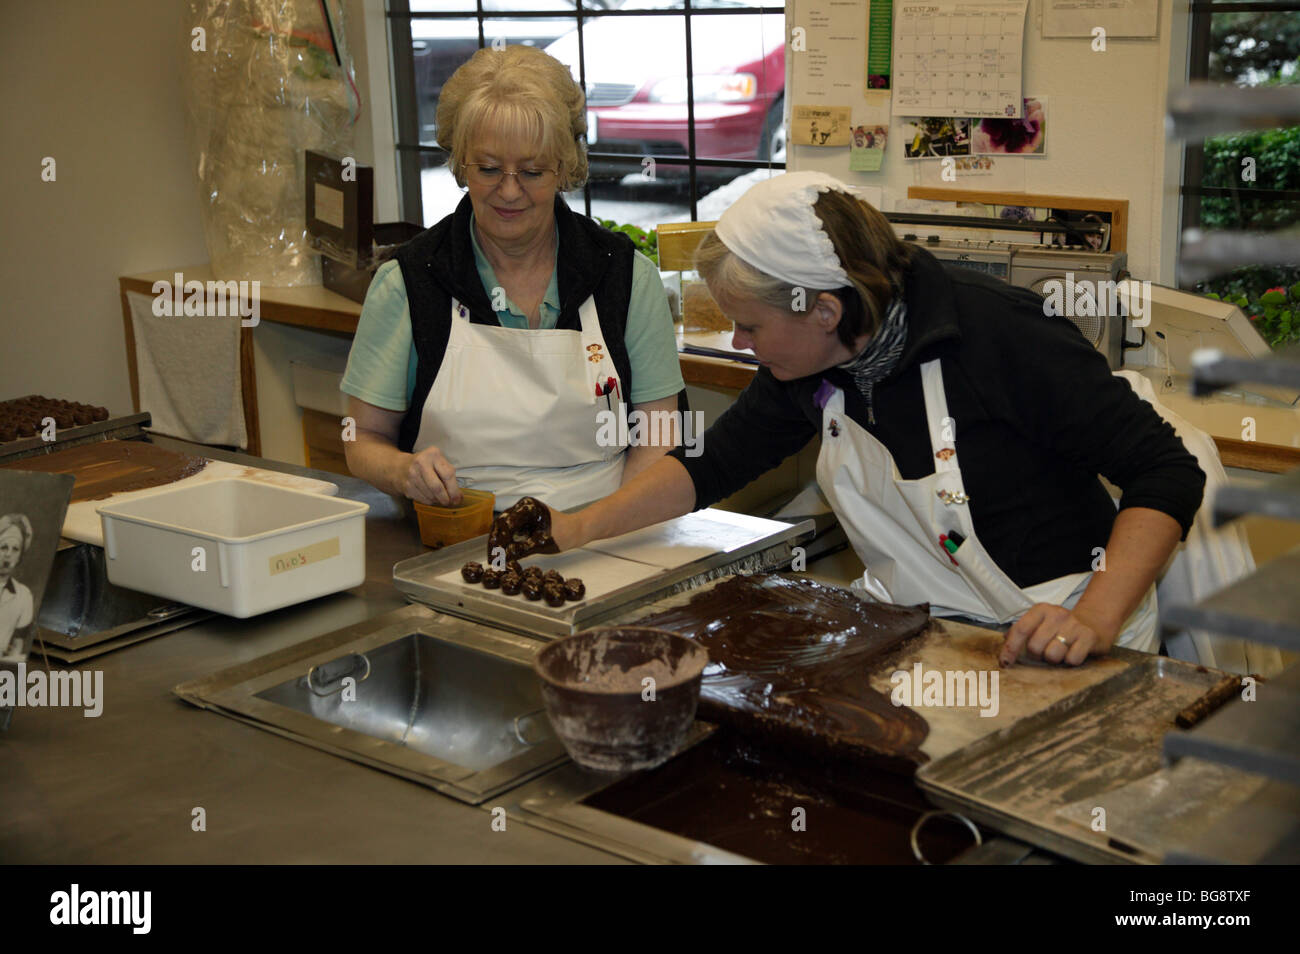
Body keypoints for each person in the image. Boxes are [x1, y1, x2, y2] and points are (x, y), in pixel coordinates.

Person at [529, 172, 1207, 668]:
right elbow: (713, 464)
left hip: (1058, 633)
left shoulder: (1000, 335)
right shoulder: (810, 364)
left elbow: (1165, 471)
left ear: (824, 310)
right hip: (923, 632)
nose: (741, 345)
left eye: (749, 326)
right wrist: (576, 528)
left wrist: (1093, 617)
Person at [341, 45, 685, 512]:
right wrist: (405, 472)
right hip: (455, 532)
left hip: (602, 529)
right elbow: (362, 437)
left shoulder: (624, 277)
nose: (508, 191)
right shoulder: (408, 282)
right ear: (460, 164)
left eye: (531, 171)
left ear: (565, 168)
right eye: (487, 168)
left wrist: (599, 531)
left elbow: (659, 438)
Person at [0, 513, 34, 659]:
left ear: (20, 556)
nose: (8, 554)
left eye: (15, 549)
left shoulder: (23, 596)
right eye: (3, 547)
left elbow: (17, 644)